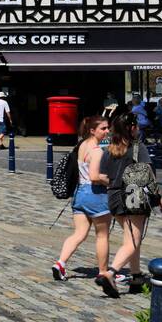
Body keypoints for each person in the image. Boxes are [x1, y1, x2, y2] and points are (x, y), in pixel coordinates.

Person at [53, 115, 119, 297]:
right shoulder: (97, 151)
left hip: (79, 194)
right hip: (95, 195)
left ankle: (60, 263)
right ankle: (104, 271)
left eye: (108, 128)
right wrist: (112, 180)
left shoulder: (82, 145)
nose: (107, 131)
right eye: (103, 129)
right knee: (102, 236)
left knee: (79, 234)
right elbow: (95, 176)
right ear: (92, 130)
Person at [106, 113, 162, 293]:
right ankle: (110, 273)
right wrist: (157, 198)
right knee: (133, 240)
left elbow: (104, 174)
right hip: (134, 197)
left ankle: (136, 276)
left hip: (114, 197)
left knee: (130, 238)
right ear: (131, 128)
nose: (138, 128)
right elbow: (149, 175)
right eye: (136, 125)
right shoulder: (139, 148)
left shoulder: (110, 149)